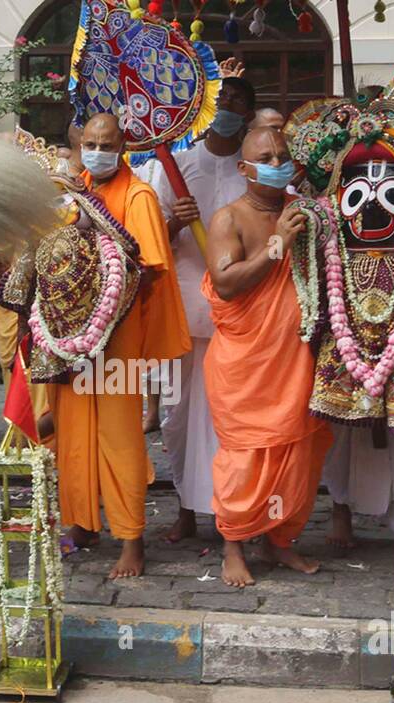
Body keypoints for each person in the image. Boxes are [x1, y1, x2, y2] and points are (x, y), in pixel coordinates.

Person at [56, 112, 190, 578]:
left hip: (119, 339)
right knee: (73, 434)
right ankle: (82, 522)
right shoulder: (70, 193)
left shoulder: (139, 195)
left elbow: (151, 267)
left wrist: (104, 297)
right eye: (89, 142)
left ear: (123, 147)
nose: (96, 150)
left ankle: (131, 538)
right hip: (72, 341)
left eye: (105, 143)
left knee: (121, 438)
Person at [202, 127, 332, 587]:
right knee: (244, 458)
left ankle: (278, 543)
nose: (277, 162)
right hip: (245, 365)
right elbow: (226, 284)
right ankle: (232, 545)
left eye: (283, 155)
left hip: (294, 357)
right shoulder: (229, 219)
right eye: (266, 156)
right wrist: (277, 243)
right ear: (244, 168)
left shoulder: (304, 213)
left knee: (296, 454)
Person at [137, 75, 256, 543]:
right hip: (184, 310)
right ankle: (186, 509)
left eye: (237, 99)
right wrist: (172, 222)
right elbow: (149, 246)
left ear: (247, 112)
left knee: (231, 416)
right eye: (221, 97)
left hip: (239, 313)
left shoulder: (253, 169)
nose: (227, 104)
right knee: (179, 415)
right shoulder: (174, 167)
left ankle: (232, 512)